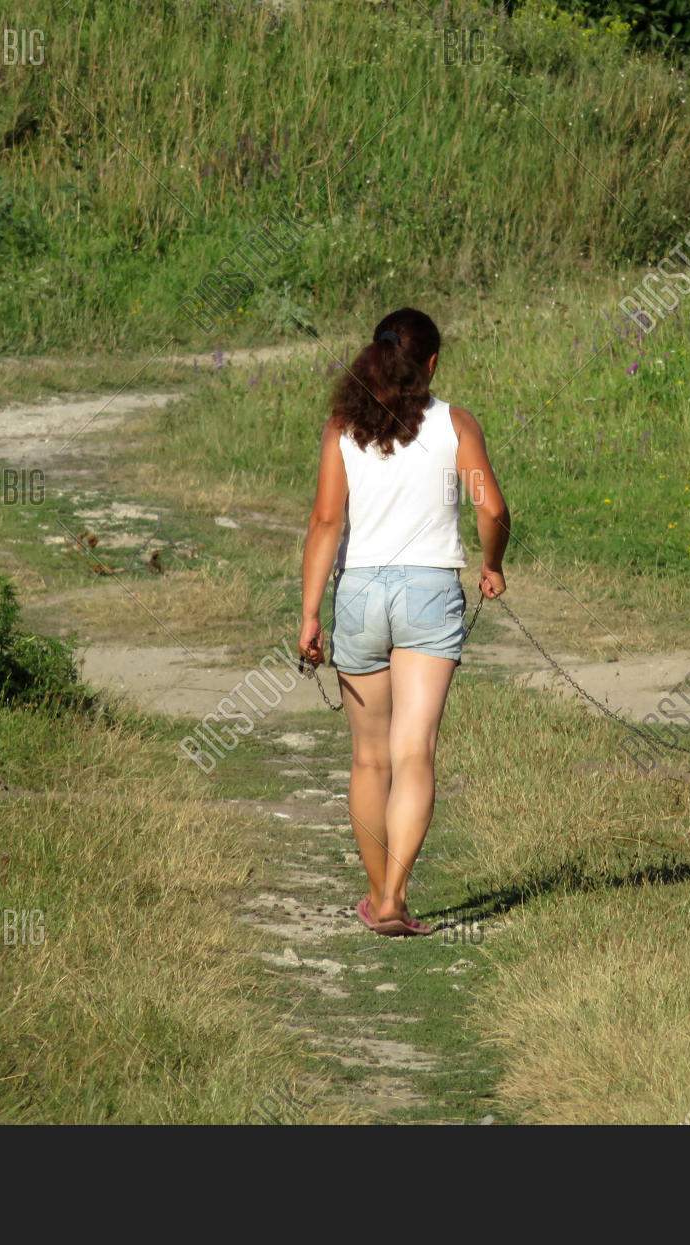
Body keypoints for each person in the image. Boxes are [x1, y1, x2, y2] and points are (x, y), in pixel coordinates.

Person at [299, 309, 510, 936]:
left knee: (369, 759)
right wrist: (492, 565)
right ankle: (394, 896)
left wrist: (311, 614)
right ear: (433, 364)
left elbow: (326, 524)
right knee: (413, 751)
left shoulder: (344, 427)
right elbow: (491, 508)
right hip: (428, 593)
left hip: (359, 594)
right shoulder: (455, 424)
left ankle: (374, 894)